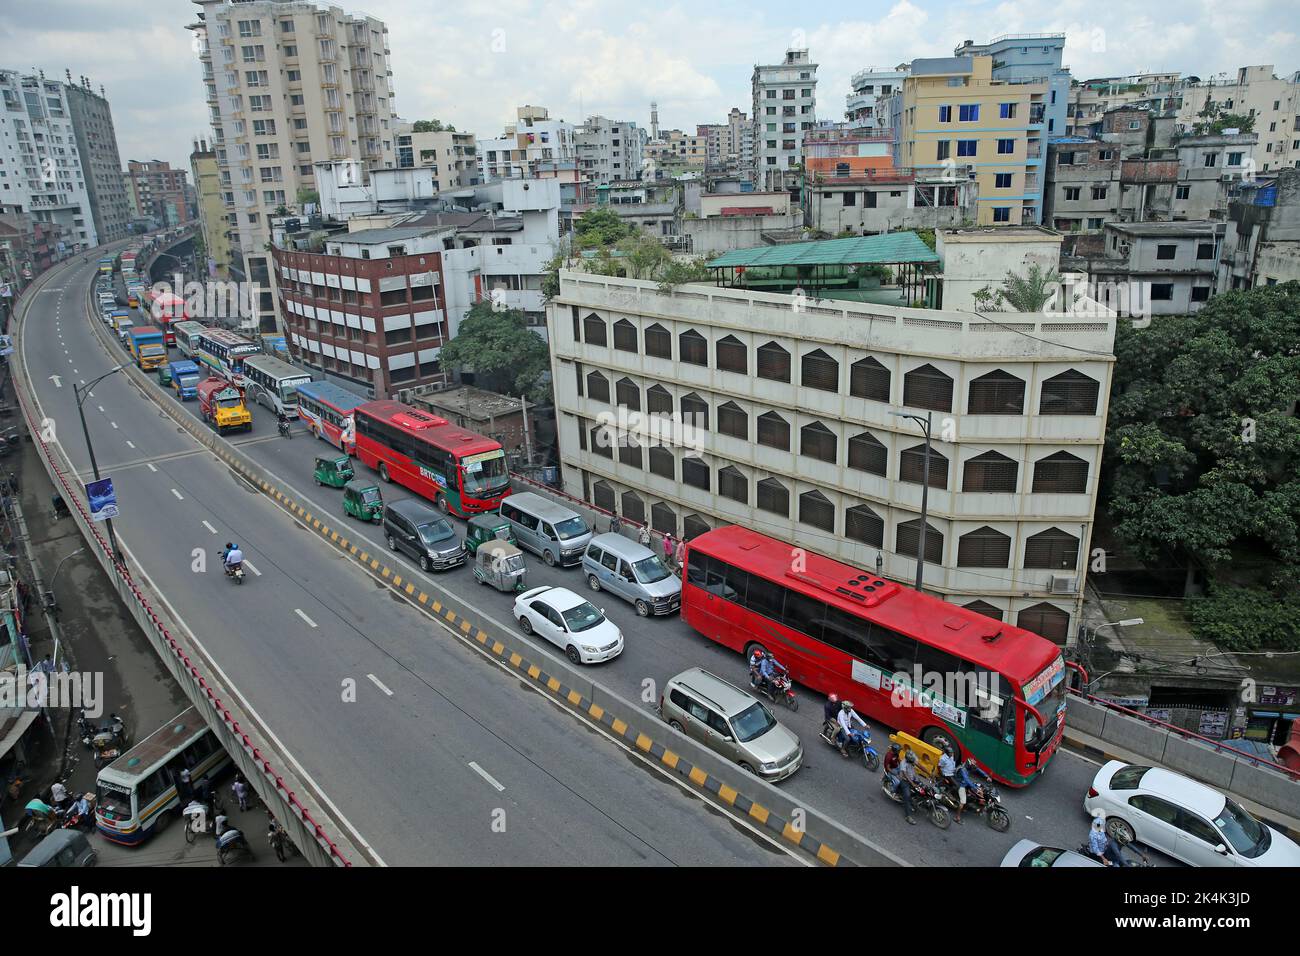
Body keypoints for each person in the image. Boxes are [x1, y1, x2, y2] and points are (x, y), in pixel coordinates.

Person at [937, 745, 963, 823]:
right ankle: (949, 793)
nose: (952, 754)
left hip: (952, 772)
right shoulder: (943, 759)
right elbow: (939, 767)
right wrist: (943, 776)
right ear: (947, 753)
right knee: (957, 786)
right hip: (947, 774)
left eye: (952, 753)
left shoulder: (951, 756)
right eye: (950, 753)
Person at [896, 751, 920, 825]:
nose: (914, 762)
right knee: (907, 795)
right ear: (908, 760)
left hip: (913, 778)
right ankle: (907, 816)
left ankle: (914, 802)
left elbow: (919, 765)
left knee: (922, 788)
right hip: (904, 780)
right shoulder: (903, 763)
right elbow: (905, 775)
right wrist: (912, 784)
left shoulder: (912, 759)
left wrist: (929, 773)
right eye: (912, 761)